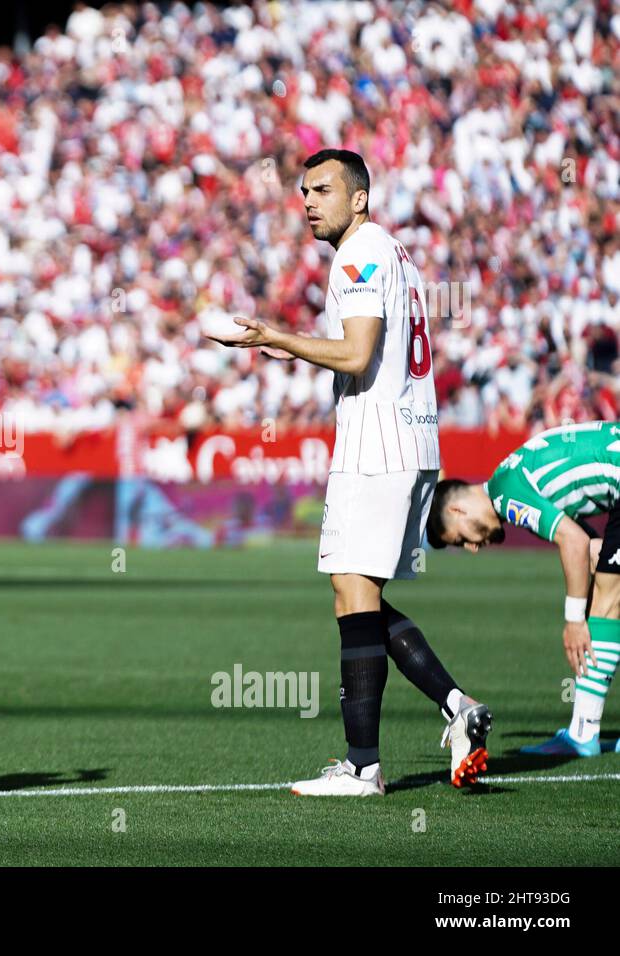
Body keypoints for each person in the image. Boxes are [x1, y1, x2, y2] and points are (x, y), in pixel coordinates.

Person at [208, 149, 490, 795]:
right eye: (305, 192)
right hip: (411, 438)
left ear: (359, 198)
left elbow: (358, 355)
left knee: (353, 595)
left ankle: (364, 766)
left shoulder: (359, 252)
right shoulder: (392, 251)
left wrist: (273, 337)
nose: (309, 202)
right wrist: (284, 344)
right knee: (355, 595)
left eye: (324, 190)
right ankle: (456, 708)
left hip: (377, 443)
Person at [427, 421, 620, 757]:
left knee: (606, 598)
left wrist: (574, 621)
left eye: (460, 539)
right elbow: (591, 552)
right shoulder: (512, 479)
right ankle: (583, 731)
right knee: (608, 591)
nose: (472, 548)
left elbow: (574, 542)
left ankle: (582, 734)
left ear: (457, 510)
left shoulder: (506, 494)